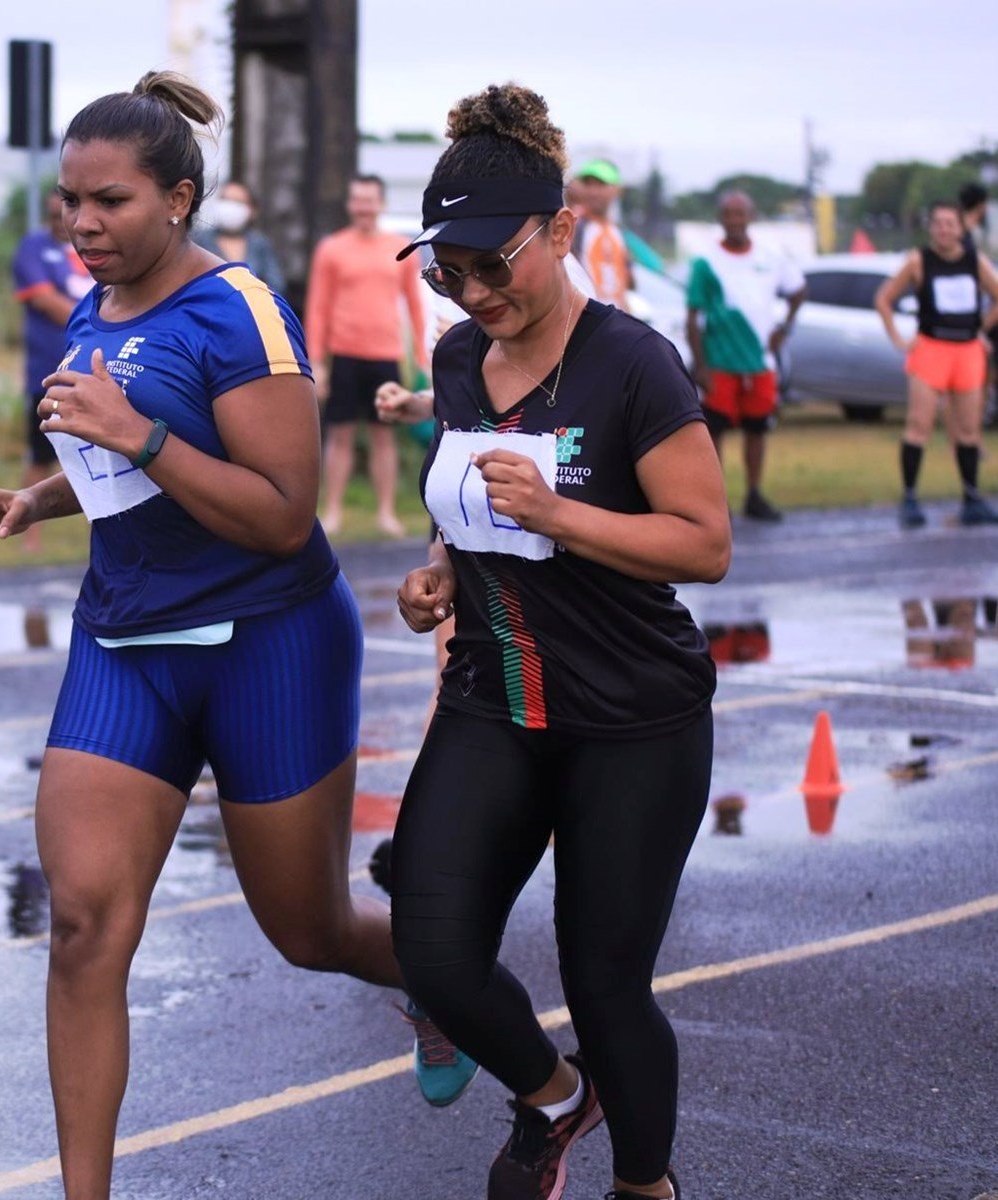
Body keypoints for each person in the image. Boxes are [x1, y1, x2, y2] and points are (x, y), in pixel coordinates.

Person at [0, 71, 473, 1200]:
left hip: (266, 640)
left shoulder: (235, 307)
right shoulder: (93, 307)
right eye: (68, 205)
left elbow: (283, 511)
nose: (83, 226)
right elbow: (116, 461)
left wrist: (134, 436)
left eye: (110, 203)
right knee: (85, 925)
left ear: (178, 199)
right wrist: (33, 499)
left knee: (310, 930)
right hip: (124, 642)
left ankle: (441, 983)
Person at [387, 83, 731, 1200]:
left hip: (631, 717)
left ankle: (644, 1184)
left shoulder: (632, 365)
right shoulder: (451, 361)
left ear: (560, 233)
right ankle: (552, 1098)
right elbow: (464, 504)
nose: (475, 291)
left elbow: (703, 543)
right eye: (450, 271)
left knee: (604, 984)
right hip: (494, 695)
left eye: (496, 265)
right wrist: (442, 570)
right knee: (430, 948)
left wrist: (558, 515)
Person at [306, 174, 431, 537]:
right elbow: (318, 308)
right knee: (340, 435)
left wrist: (422, 357)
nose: (363, 207)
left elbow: (416, 306)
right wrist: (317, 362)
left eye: (369, 200)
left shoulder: (401, 247)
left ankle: (387, 512)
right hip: (344, 353)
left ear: (381, 203)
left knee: (383, 436)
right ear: (350, 204)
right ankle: (332, 511)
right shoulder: (332, 248)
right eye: (357, 200)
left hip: (385, 355)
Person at [875, 200, 998, 528]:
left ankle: (971, 498)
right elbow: (884, 299)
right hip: (931, 348)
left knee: (969, 429)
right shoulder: (919, 261)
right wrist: (899, 340)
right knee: (920, 424)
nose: (944, 229)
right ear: (931, 228)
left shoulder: (975, 261)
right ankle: (910, 498)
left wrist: (982, 330)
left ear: (961, 228)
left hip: (967, 350)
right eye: (938, 223)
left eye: (950, 223)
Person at [685, 190, 805, 523]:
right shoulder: (705, 262)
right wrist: (701, 365)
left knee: (758, 430)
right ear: (721, 218)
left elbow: (798, 290)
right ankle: (715, 502)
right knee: (714, 434)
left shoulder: (770, 256)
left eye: (741, 214)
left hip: (759, 362)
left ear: (751, 216)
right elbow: (692, 316)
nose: (735, 221)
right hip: (720, 362)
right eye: (729, 214)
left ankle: (754, 495)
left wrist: (784, 327)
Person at [13, 188, 95, 551]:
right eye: (65, 201)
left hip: (102, 372)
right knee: (43, 452)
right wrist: (101, 325)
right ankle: (28, 534)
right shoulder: (33, 249)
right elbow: (45, 300)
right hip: (49, 370)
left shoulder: (97, 249)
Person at [192, 178, 285, 293]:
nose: (230, 207)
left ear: (252, 210)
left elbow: (276, 285)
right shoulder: (200, 239)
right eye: (225, 199)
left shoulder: (259, 244)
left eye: (237, 202)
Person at [568, 159, 633, 313]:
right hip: (587, 318)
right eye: (588, 184)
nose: (593, 191)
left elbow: (625, 282)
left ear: (616, 190)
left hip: (614, 320)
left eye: (600, 184)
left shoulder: (616, 232)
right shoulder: (573, 224)